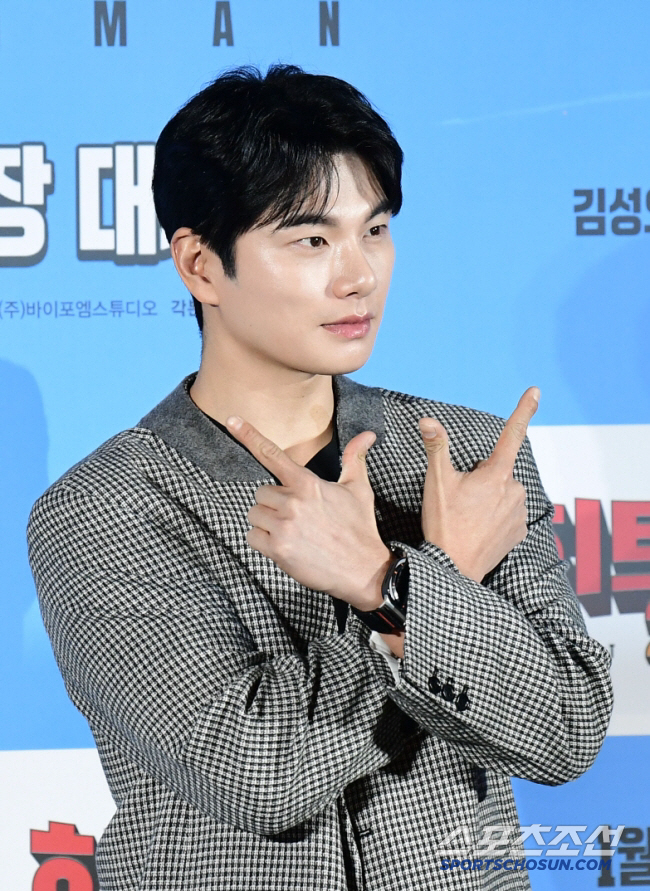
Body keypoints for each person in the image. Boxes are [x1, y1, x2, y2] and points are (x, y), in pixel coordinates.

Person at [28, 64, 613, 891]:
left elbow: (567, 728)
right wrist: (422, 585)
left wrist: (389, 584)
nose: (359, 274)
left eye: (374, 230)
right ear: (200, 265)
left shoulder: (466, 454)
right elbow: (255, 770)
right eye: (312, 240)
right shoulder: (104, 507)